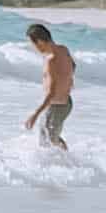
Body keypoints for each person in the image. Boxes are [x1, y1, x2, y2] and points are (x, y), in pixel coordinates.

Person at [23, 21, 77, 151]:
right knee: (49, 138)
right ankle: (61, 162)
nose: (34, 48)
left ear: (40, 42)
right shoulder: (64, 49)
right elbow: (73, 66)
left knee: (49, 139)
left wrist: (35, 114)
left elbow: (51, 93)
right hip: (66, 103)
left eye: (33, 44)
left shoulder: (50, 60)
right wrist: (67, 80)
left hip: (56, 106)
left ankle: (66, 163)